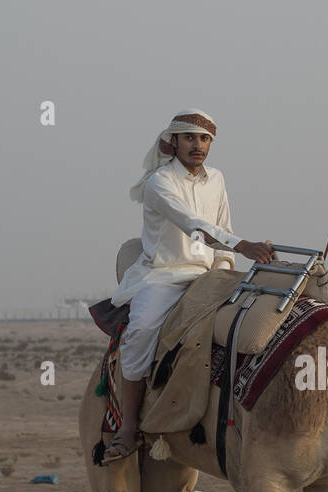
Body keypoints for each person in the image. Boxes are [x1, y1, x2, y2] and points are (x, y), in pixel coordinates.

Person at [102, 110, 273, 464]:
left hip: (210, 274)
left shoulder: (217, 180)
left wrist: (228, 264)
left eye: (205, 139)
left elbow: (223, 223)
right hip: (165, 275)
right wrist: (244, 246)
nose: (198, 145)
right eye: (190, 138)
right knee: (142, 330)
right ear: (173, 142)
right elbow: (193, 225)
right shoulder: (160, 182)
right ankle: (129, 426)